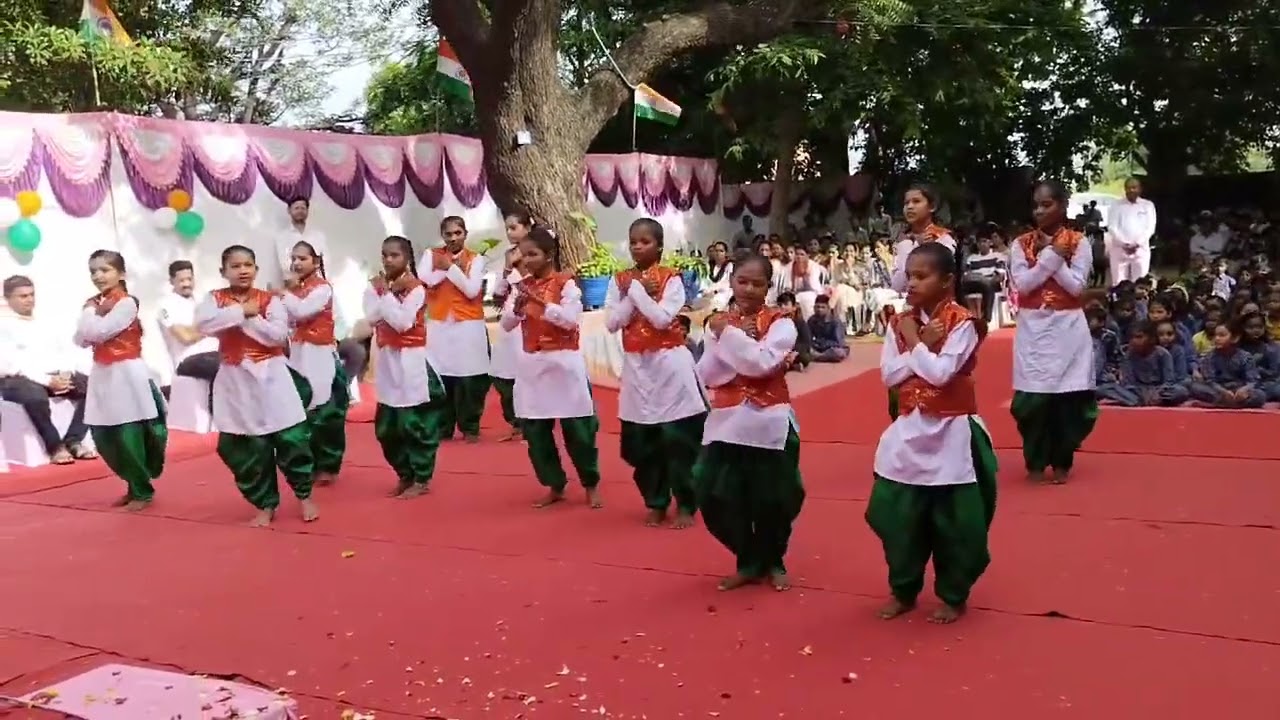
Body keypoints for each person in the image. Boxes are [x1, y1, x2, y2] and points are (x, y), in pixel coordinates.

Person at [866, 242, 997, 624]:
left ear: (948, 280)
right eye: (910, 276)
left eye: (922, 276)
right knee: (897, 514)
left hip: (951, 432)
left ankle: (953, 594)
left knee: (955, 523)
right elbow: (889, 376)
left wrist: (917, 346)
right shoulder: (899, 322)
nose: (912, 283)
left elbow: (942, 375)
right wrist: (920, 342)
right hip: (909, 430)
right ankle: (903, 589)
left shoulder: (965, 323)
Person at [692, 254, 804, 592]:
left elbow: (760, 365)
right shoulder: (719, 324)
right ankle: (750, 558)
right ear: (731, 281)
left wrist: (732, 340)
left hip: (769, 423)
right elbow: (708, 374)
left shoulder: (783, 323)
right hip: (726, 424)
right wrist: (736, 340)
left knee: (774, 498)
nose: (749, 289)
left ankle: (774, 560)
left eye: (758, 283)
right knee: (712, 492)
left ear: (769, 287)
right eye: (743, 281)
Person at [194, 246, 317, 527]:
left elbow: (276, 337)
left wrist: (248, 315)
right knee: (247, 445)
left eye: (248, 264)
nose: (242, 270)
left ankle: (304, 494)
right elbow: (203, 325)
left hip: (272, 376)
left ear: (256, 270)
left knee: (291, 439)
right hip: (236, 378)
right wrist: (240, 311)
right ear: (223, 272)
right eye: (235, 266)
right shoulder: (214, 299)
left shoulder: (270, 301)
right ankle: (264, 503)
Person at [605, 218, 708, 528]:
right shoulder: (621, 280)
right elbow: (612, 323)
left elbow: (662, 319)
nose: (637, 246)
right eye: (633, 240)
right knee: (643, 443)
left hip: (669, 366)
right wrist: (634, 294)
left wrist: (636, 295)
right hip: (637, 368)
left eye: (645, 241)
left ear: (659, 246)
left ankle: (687, 503)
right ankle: (656, 501)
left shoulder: (671, 279)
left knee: (679, 440)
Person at [499, 224, 602, 509]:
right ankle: (554, 484)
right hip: (533, 366)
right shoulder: (522, 287)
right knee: (536, 432)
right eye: (524, 255)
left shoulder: (566, 283)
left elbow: (570, 320)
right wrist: (518, 308)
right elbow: (506, 324)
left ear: (548, 255)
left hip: (564, 365)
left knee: (578, 431)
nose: (528, 261)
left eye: (533, 254)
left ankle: (590, 483)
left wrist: (542, 304)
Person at [1008, 180, 1097, 484]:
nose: (1039, 210)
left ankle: (1062, 461)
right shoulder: (1020, 244)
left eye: (1047, 204)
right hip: (1033, 328)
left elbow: (1076, 287)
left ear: (1062, 206)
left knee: (1066, 402)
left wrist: (1053, 256)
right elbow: (1023, 285)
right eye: (1035, 205)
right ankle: (1034, 459)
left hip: (1068, 327)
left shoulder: (1079, 242)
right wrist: (1053, 256)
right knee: (1031, 402)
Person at [72, 251, 167, 510]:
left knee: (129, 431)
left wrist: (91, 313)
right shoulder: (94, 303)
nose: (98, 276)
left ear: (121, 274)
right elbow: (79, 339)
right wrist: (91, 314)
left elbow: (97, 332)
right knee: (104, 433)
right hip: (103, 373)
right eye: (93, 271)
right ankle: (132, 483)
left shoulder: (126, 303)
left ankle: (142, 490)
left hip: (126, 373)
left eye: (105, 270)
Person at [365, 235, 448, 498]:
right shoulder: (376, 287)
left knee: (415, 424)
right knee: (387, 427)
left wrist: (386, 296)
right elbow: (371, 317)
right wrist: (385, 296)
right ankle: (405, 473)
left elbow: (403, 323)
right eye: (385, 255)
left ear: (407, 258)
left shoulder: (417, 288)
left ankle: (421, 477)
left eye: (394, 255)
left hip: (412, 359)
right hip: (388, 359)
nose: (388, 260)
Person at [0, 275, 95, 464]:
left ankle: (73, 440)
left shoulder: (46, 322)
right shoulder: (4, 326)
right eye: (23, 296)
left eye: (31, 294)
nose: (29, 300)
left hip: (53, 376)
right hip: (16, 379)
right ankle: (55, 447)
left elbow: (64, 350)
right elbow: (12, 364)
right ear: (8, 298)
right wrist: (47, 380)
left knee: (96, 389)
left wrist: (65, 373)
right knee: (35, 396)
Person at [279, 241, 349, 486]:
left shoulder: (322, 288)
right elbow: (289, 319)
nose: (297, 263)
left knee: (324, 407)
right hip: (299, 351)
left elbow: (302, 312)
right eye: (294, 259)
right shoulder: (296, 290)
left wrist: (283, 295)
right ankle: (309, 463)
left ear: (316, 262)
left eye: (302, 259)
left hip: (319, 353)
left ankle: (329, 464)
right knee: (303, 407)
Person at [420, 216, 490, 443]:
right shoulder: (431, 255)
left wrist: (450, 268)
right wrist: (449, 270)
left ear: (465, 234)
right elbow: (426, 279)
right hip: (440, 324)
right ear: (442, 236)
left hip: (468, 325)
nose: (453, 238)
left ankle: (470, 427)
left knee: (470, 378)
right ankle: (443, 427)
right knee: (442, 377)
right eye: (448, 234)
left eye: (457, 233)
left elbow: (471, 290)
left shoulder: (476, 259)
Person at [489, 210, 531, 442]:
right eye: (507, 228)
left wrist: (517, 269)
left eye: (514, 227)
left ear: (527, 227)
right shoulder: (508, 254)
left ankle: (528, 425)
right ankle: (515, 422)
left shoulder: (536, 253)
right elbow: (499, 292)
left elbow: (533, 285)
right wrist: (507, 270)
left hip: (527, 317)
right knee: (501, 374)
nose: (510, 232)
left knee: (523, 374)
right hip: (508, 316)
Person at [158, 260, 220, 393]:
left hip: (214, 360)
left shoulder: (202, 300)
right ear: (171, 281)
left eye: (189, 279)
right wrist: (209, 329)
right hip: (189, 366)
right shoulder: (166, 306)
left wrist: (196, 330)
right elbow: (185, 337)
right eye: (181, 280)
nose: (186, 284)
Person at [1110, 321, 1189, 406]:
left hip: (1159, 390)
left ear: (1152, 338)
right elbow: (1129, 383)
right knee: (1111, 388)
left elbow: (1168, 381)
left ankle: (1143, 401)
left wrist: (1158, 393)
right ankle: (1137, 401)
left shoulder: (1162, 354)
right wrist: (1143, 394)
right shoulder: (1129, 355)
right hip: (1138, 391)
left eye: (1139, 337)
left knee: (1181, 391)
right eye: (1132, 338)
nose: (1134, 341)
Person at [1189, 321, 1266, 408]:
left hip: (1238, 389)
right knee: (1195, 387)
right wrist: (1223, 391)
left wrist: (1244, 390)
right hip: (1218, 390)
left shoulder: (1245, 356)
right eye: (1215, 335)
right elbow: (1210, 381)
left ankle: (1221, 404)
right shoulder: (1209, 357)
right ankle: (1229, 403)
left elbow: (1253, 380)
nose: (1217, 338)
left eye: (1222, 335)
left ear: (1235, 338)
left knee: (1260, 395)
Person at [1106, 178, 1157, 287]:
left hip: (1140, 250)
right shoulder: (1116, 205)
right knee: (1119, 284)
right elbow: (1112, 227)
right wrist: (1125, 243)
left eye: (1134, 187)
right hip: (1120, 250)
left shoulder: (1147, 205)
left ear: (1140, 189)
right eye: (1128, 188)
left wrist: (1137, 243)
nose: (1131, 190)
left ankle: (1139, 304)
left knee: (1140, 283)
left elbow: (1150, 228)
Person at [960, 234, 1006, 322]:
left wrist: (987, 282)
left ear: (990, 243)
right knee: (964, 285)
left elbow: (1000, 276)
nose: (982, 244)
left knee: (987, 286)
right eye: (979, 242)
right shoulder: (971, 258)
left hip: (991, 283)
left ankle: (987, 318)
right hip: (976, 282)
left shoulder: (998, 256)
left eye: (984, 241)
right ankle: (970, 318)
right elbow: (967, 274)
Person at [1237, 311, 1280, 401]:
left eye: (1259, 327)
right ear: (1243, 328)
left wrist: (1256, 368)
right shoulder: (1237, 348)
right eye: (1251, 327)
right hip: (1243, 384)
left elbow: (1274, 373)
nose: (1256, 330)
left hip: (1266, 384)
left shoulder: (1271, 348)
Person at [807, 295, 849, 362]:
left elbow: (839, 342)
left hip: (832, 348)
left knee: (838, 353)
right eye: (817, 307)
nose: (819, 310)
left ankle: (818, 357)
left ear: (828, 308)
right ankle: (820, 356)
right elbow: (807, 338)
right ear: (814, 308)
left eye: (823, 307)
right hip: (818, 347)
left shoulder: (835, 321)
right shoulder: (811, 320)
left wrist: (822, 343)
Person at [702, 241, 734, 311]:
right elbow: (704, 282)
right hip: (707, 296)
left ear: (726, 253)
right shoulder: (709, 266)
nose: (718, 253)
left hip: (723, 296)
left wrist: (714, 291)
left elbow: (729, 285)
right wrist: (706, 291)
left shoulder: (729, 266)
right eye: (716, 251)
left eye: (721, 251)